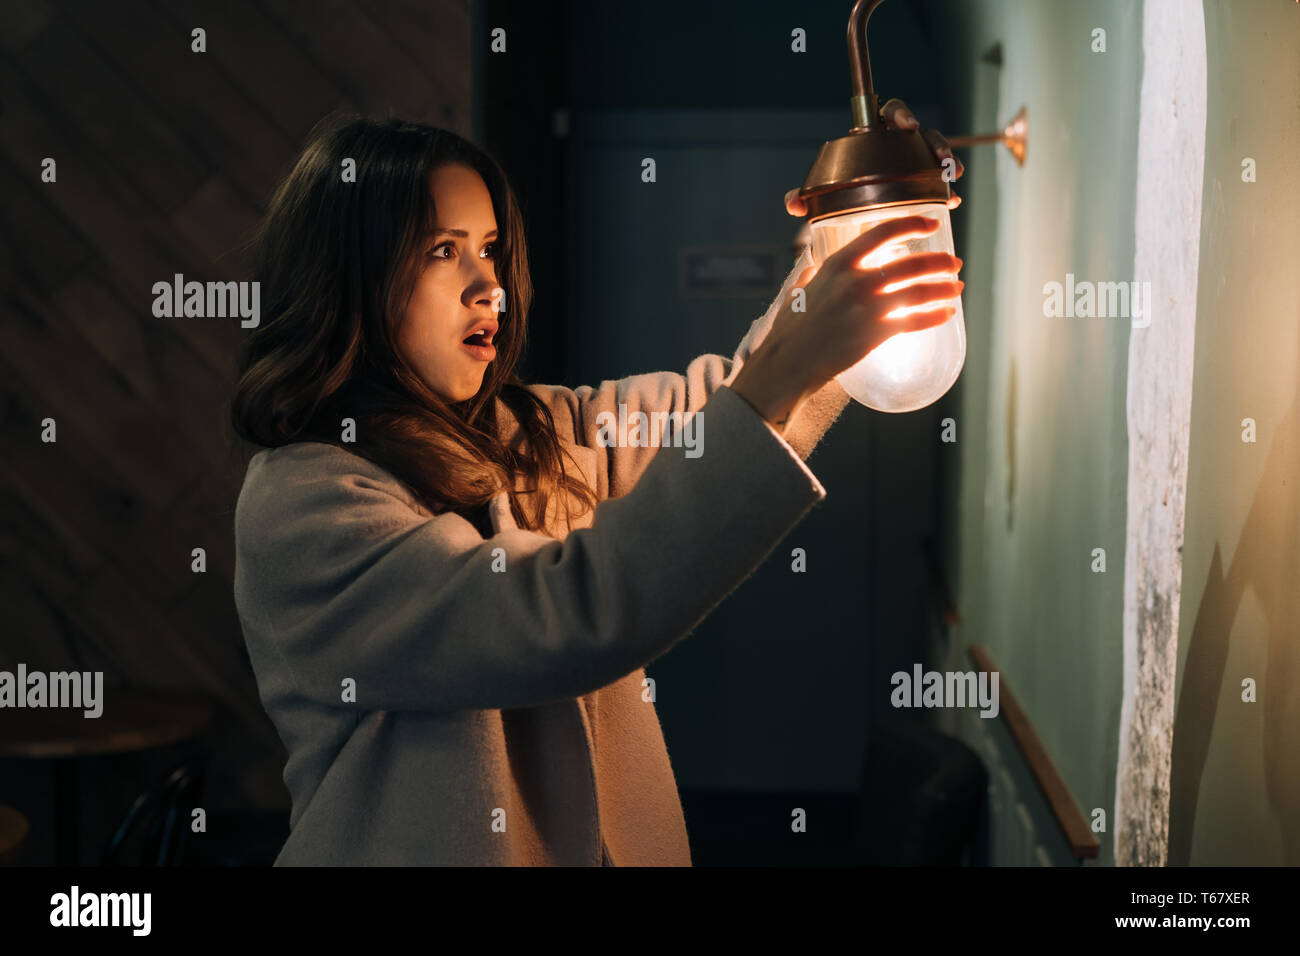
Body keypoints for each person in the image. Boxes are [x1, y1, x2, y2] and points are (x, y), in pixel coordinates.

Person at [230, 100, 964, 866]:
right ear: (347, 274)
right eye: (441, 250)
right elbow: (567, 618)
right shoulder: (304, 505)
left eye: (489, 247)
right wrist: (794, 357)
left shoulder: (533, 430)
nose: (490, 286)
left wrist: (863, 226)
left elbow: (729, 411)